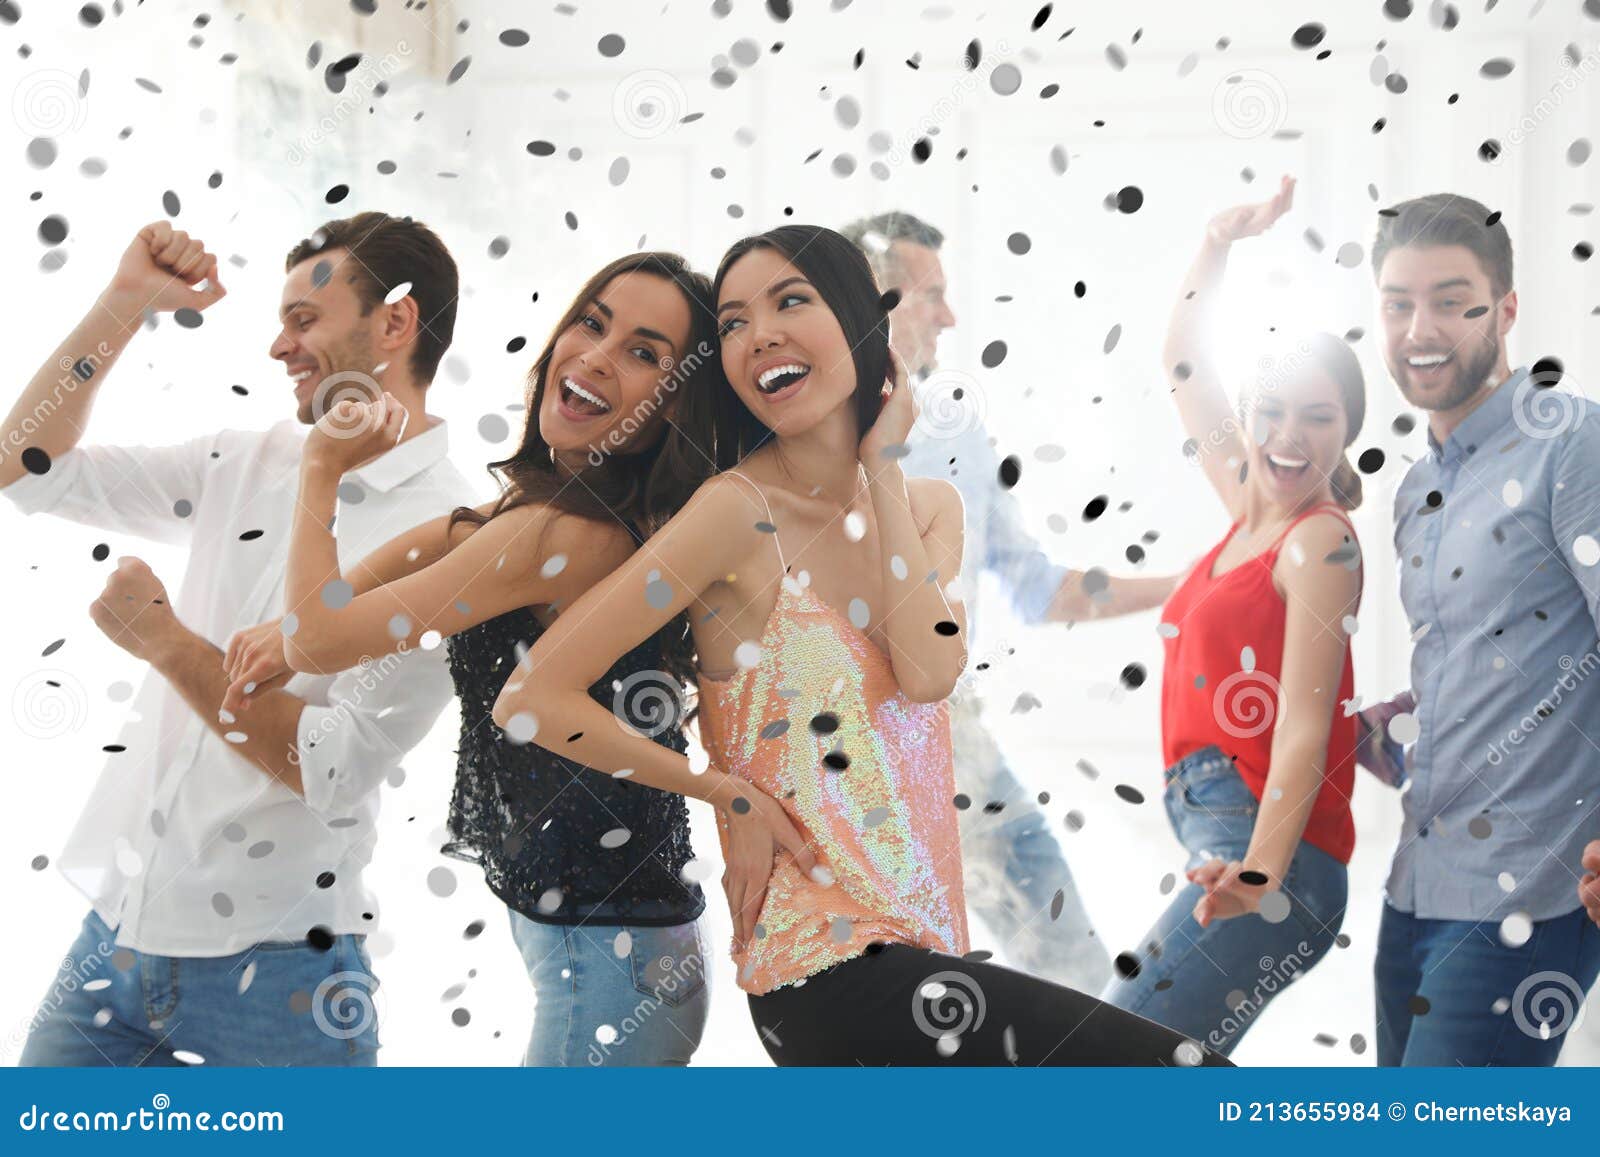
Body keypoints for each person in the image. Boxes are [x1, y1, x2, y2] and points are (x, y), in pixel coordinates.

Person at [493, 223, 1233, 1066]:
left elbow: (928, 669)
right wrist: (722, 791)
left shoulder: (929, 506)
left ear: (859, 322)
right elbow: (532, 698)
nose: (759, 333)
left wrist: (880, 464)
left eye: (791, 301)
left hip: (928, 952)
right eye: (733, 322)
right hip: (825, 969)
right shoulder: (732, 513)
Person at [3, 213, 478, 1065]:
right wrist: (124, 303)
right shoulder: (246, 459)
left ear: (395, 322)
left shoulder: (456, 536)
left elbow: (331, 764)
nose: (278, 346)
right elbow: (26, 466)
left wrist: (164, 642)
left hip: (283, 978)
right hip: (116, 938)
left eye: (304, 319)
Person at [228, 252, 720, 1066]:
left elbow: (321, 635)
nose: (598, 355)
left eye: (643, 352)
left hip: (612, 963)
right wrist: (288, 633)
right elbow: (433, 546)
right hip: (612, 948)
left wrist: (322, 469)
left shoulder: (560, 534)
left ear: (675, 405)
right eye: (592, 323)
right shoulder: (540, 512)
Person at [1094, 177, 1365, 1057]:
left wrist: (1260, 871)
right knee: (1157, 1071)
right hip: (1223, 833)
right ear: (1245, 418)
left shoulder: (1319, 542)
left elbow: (1304, 726)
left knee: (1109, 1056)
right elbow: (1182, 357)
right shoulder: (1247, 509)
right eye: (1272, 412)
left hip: (1273, 857)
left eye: (1319, 417)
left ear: (1347, 430)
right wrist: (1216, 243)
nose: (1291, 435)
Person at [839, 211, 1120, 993]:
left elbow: (1037, 587)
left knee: (1078, 970)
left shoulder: (958, 436)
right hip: (852, 751)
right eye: (930, 294)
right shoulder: (796, 438)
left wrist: (1199, 580)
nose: (950, 317)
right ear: (870, 303)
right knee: (909, 987)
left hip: (958, 734)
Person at [1354, 193, 1600, 1066]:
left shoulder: (1572, 444)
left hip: (1525, 899)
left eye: (1452, 301)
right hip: (1415, 890)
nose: (1420, 328)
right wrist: (1402, 727)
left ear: (1505, 309)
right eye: (1398, 303)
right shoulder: (1415, 489)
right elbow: (1506, 657)